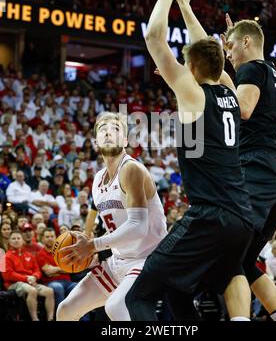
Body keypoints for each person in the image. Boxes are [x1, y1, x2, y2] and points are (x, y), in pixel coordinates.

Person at [126, 0, 254, 321]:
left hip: (211, 217)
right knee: (177, 292)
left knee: (139, 297)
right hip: (242, 219)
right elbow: (206, 49)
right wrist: (187, 5)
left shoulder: (193, 93)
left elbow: (154, 39)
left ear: (192, 69)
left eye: (186, 65)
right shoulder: (228, 86)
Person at [55, 112, 167, 321]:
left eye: (115, 128)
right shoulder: (98, 179)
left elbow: (138, 226)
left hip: (148, 259)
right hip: (119, 261)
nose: (108, 132)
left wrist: (93, 245)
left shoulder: (131, 168)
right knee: (65, 310)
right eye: (102, 129)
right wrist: (87, 240)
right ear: (95, 142)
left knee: (116, 307)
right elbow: (113, 222)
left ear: (125, 140)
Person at [222, 11, 276, 320]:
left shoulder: (251, 68)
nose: (230, 57)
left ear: (247, 42)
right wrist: (228, 55)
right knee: (246, 261)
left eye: (232, 49)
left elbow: (244, 108)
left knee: (226, 252)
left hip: (258, 167)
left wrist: (202, 84)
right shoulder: (270, 70)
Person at [2, 230, 55, 321]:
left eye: (18, 238)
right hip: (14, 284)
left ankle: (50, 318)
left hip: (30, 281)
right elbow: (8, 275)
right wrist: (26, 278)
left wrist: (35, 277)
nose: (16, 240)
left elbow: (37, 270)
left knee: (49, 291)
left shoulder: (29, 255)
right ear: (9, 241)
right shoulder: (6, 256)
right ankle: (35, 319)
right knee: (32, 290)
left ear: (22, 240)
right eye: (13, 238)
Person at [36, 228, 77, 307]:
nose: (50, 239)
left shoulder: (63, 251)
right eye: (47, 237)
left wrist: (55, 269)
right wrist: (63, 268)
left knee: (77, 286)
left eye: (52, 236)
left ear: (56, 238)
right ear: (43, 239)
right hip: (50, 282)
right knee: (57, 287)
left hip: (67, 282)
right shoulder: (40, 254)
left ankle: (83, 319)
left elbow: (71, 269)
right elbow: (48, 272)